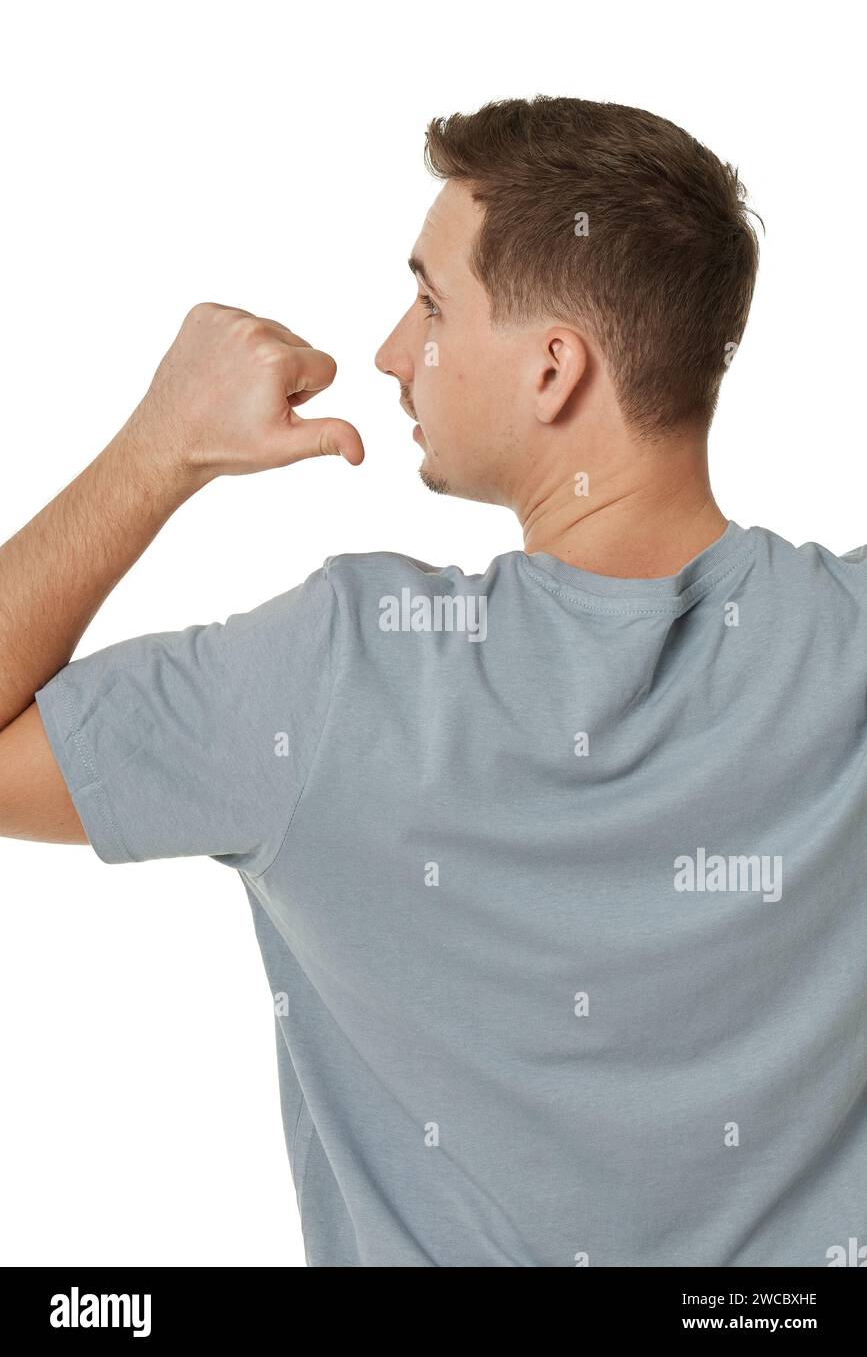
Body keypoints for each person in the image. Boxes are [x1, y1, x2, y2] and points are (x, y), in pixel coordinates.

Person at [1, 96, 865, 1269]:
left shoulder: (334, 674)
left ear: (555, 367)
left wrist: (164, 444)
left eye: (430, 302)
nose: (395, 350)